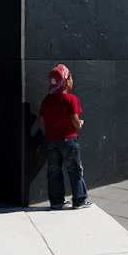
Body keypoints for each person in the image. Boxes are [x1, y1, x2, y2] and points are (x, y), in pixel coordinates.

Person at [38, 64, 91, 209]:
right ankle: (79, 200)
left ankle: (56, 201)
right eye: (71, 78)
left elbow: (41, 120)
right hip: (68, 139)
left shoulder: (47, 100)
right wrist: (80, 123)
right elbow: (75, 122)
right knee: (74, 169)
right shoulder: (71, 99)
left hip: (51, 140)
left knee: (54, 170)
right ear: (67, 81)